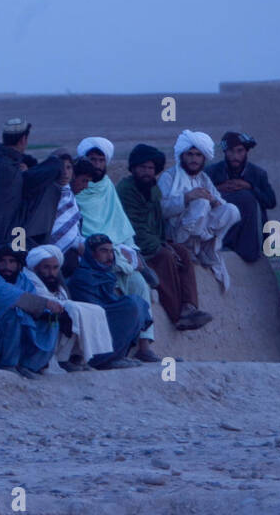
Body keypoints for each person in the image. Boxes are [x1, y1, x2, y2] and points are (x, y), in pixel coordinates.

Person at [72, 141, 161, 362]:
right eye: (92, 160)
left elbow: (119, 224)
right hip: (88, 254)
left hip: (114, 251)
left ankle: (144, 345)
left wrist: (127, 250)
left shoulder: (107, 187)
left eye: (101, 160)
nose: (97, 164)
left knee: (139, 283)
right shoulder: (75, 189)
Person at [117, 143, 211, 331]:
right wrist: (160, 246)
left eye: (151, 168)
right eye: (142, 167)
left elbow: (158, 221)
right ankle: (178, 315)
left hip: (154, 240)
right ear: (134, 168)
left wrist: (164, 243)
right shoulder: (126, 189)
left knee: (182, 253)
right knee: (165, 257)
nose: (146, 172)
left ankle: (190, 306)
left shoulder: (153, 188)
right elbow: (135, 226)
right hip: (133, 245)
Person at [159, 130, 240, 292]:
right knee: (201, 202)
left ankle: (204, 247)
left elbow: (220, 204)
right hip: (175, 232)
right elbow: (162, 209)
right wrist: (187, 197)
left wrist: (214, 201)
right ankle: (187, 247)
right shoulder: (169, 177)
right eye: (190, 154)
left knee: (232, 210)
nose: (193, 159)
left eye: (198, 155)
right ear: (182, 155)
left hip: (200, 231)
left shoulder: (203, 178)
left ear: (204, 158)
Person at [0, 244, 60, 378]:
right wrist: (44, 304)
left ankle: (29, 365)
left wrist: (49, 313)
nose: (7, 266)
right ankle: (7, 364)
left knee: (53, 320)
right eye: (2, 261)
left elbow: (34, 306)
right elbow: (9, 295)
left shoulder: (23, 281)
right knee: (13, 314)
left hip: (24, 323)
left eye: (12, 262)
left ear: (18, 264)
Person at [0, 118, 61, 251]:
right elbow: (49, 170)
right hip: (11, 239)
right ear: (23, 140)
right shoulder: (7, 168)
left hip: (6, 234)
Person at [24, 245, 113, 371]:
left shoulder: (56, 283)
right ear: (36, 267)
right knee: (71, 310)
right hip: (37, 324)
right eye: (46, 268)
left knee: (96, 310)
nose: (51, 273)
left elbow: (62, 300)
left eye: (55, 268)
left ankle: (74, 358)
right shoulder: (28, 280)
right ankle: (60, 360)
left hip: (57, 317)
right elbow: (40, 301)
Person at [66, 234, 149, 369]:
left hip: (104, 317)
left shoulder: (106, 275)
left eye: (111, 252)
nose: (110, 257)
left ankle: (117, 356)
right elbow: (94, 311)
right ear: (91, 253)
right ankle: (105, 359)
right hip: (91, 327)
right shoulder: (83, 277)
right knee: (131, 306)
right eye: (104, 251)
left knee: (137, 304)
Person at [205, 131, 276, 264]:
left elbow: (271, 202)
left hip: (250, 232)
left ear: (246, 152)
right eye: (231, 151)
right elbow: (201, 198)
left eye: (240, 151)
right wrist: (218, 189)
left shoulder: (258, 174)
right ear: (225, 152)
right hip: (221, 231)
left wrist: (250, 187)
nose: (235, 156)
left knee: (246, 198)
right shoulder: (211, 172)